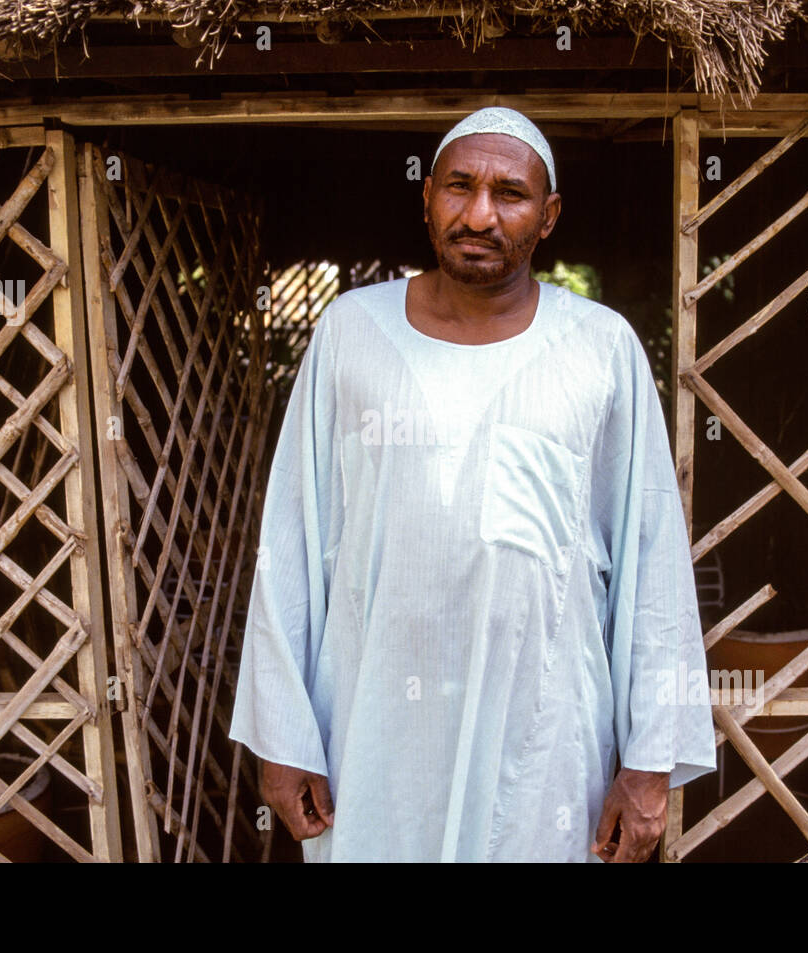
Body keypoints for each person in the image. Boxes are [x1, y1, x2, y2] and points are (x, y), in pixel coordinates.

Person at [230, 107, 715, 862]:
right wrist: (284, 736)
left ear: (549, 216)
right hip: (373, 737)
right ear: (427, 198)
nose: (480, 214)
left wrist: (650, 763)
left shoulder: (600, 348)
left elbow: (652, 565)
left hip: (545, 746)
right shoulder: (352, 333)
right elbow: (291, 540)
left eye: (510, 193)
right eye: (459, 186)